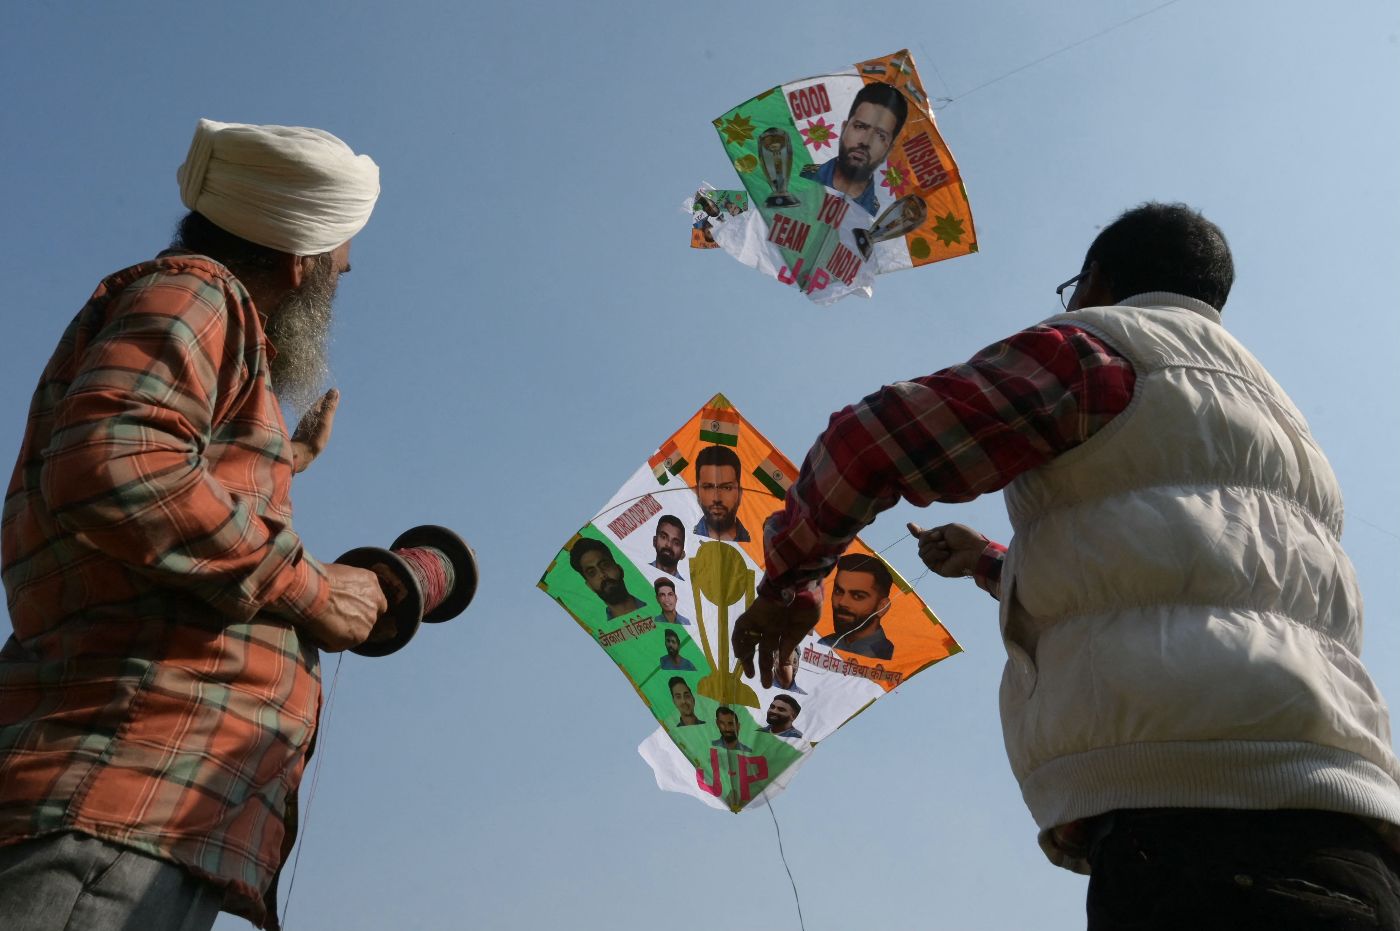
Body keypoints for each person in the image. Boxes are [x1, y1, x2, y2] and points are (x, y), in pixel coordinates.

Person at [730, 202, 1400, 928]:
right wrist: (990, 562)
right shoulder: (1288, 431)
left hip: (1193, 825)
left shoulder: (1098, 349)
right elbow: (1182, 569)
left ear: (1094, 282)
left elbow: (866, 444)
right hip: (1357, 833)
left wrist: (787, 585)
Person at [0, 119, 390, 931]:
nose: (345, 273)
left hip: (136, 814)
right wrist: (315, 592)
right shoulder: (199, 293)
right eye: (342, 264)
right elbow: (115, 464)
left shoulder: (202, 312)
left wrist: (284, 459)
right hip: (112, 803)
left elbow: (155, 473)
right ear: (302, 259)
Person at [799, 82, 908, 217]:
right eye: (860, 126)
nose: (866, 141)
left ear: (888, 150)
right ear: (844, 128)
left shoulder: (878, 218)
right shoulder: (800, 176)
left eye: (880, 135)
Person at [816, 553, 894, 660]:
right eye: (838, 591)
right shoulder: (823, 643)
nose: (842, 602)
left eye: (857, 596)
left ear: (882, 607)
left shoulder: (887, 656)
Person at [568, 537, 646, 621]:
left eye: (605, 565)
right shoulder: (601, 632)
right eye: (592, 572)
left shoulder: (659, 607)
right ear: (590, 586)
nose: (602, 574)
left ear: (619, 569)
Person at [692, 445, 750, 542]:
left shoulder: (758, 549)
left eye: (726, 487)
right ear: (697, 493)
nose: (717, 498)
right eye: (708, 487)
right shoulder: (685, 544)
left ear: (739, 494)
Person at [650, 514, 686, 579]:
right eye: (664, 537)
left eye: (676, 543)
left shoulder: (685, 588)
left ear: (682, 554)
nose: (669, 545)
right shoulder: (637, 572)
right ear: (654, 541)